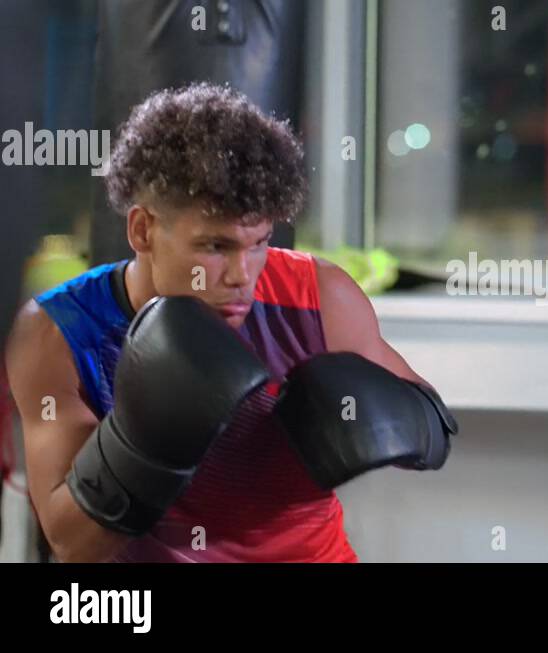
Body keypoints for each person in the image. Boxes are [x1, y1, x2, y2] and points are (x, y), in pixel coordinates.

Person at [4, 83, 457, 563]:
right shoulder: (59, 332)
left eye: (258, 243)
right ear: (142, 230)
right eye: (214, 247)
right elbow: (71, 544)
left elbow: (434, 429)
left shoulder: (318, 297)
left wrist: (381, 420)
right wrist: (142, 442)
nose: (243, 276)